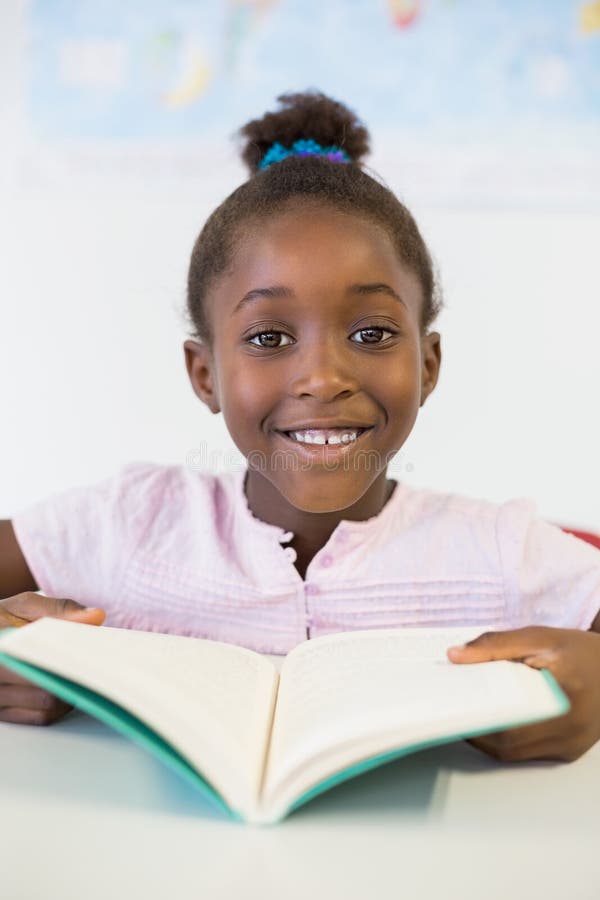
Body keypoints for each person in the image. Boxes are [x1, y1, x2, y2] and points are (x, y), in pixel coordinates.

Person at [1, 91, 599, 764]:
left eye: (372, 332)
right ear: (205, 375)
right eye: (269, 337)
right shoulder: (134, 524)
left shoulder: (497, 550)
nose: (322, 377)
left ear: (427, 364)